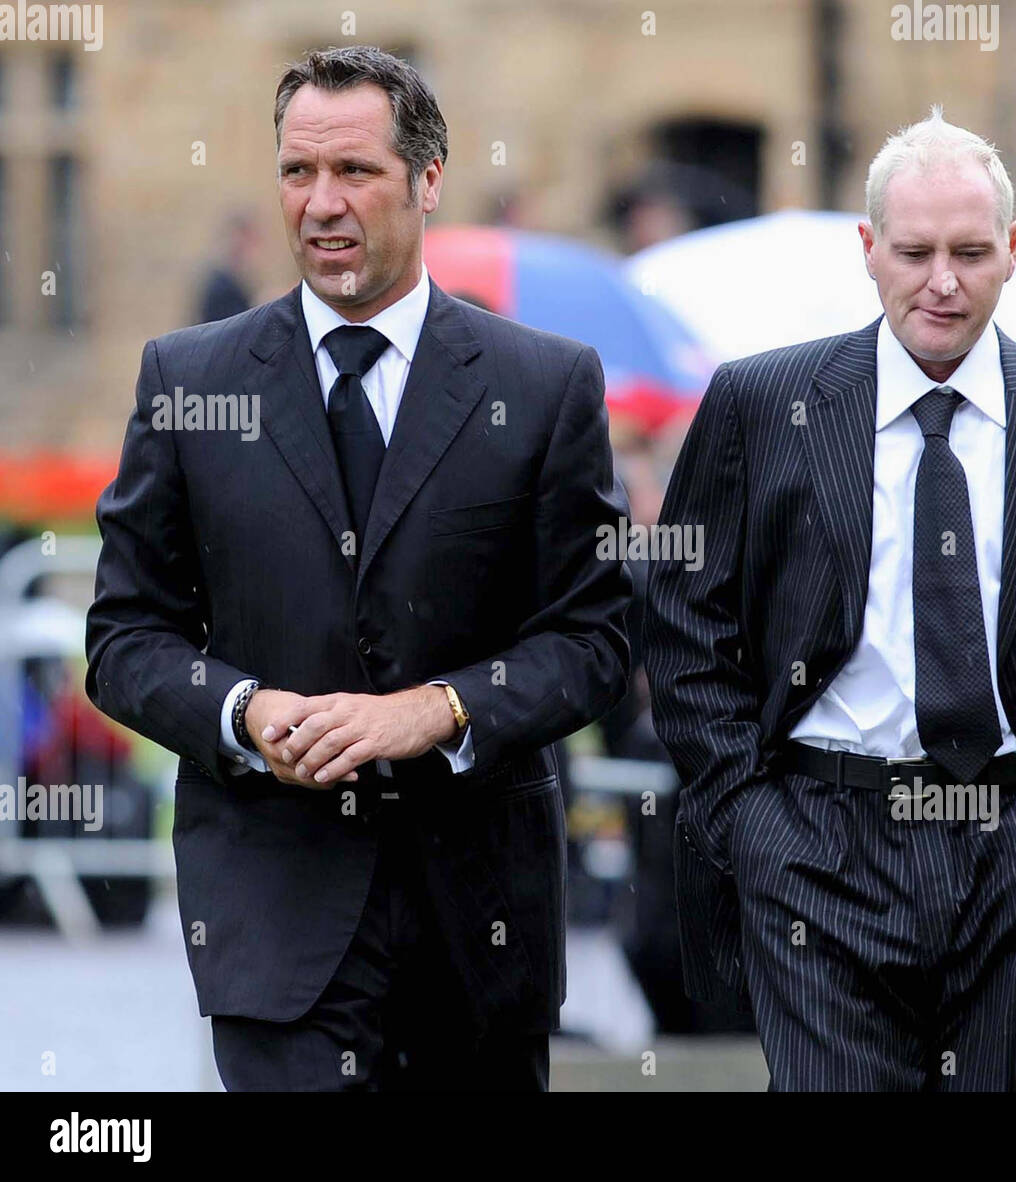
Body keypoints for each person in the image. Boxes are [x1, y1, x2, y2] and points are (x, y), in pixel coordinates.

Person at [85, 45, 631, 1092]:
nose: (321, 203)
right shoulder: (188, 380)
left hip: (480, 932)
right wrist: (243, 712)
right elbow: (123, 641)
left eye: (354, 171)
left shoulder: (544, 385)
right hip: (275, 924)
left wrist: (439, 710)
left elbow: (594, 640)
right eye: (298, 172)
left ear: (428, 181)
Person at [644, 106, 1016, 1091]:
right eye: (915, 252)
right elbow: (687, 625)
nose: (943, 281)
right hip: (815, 841)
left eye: (971, 253)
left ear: (1013, 248)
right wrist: (747, 818)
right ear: (869, 249)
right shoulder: (760, 404)